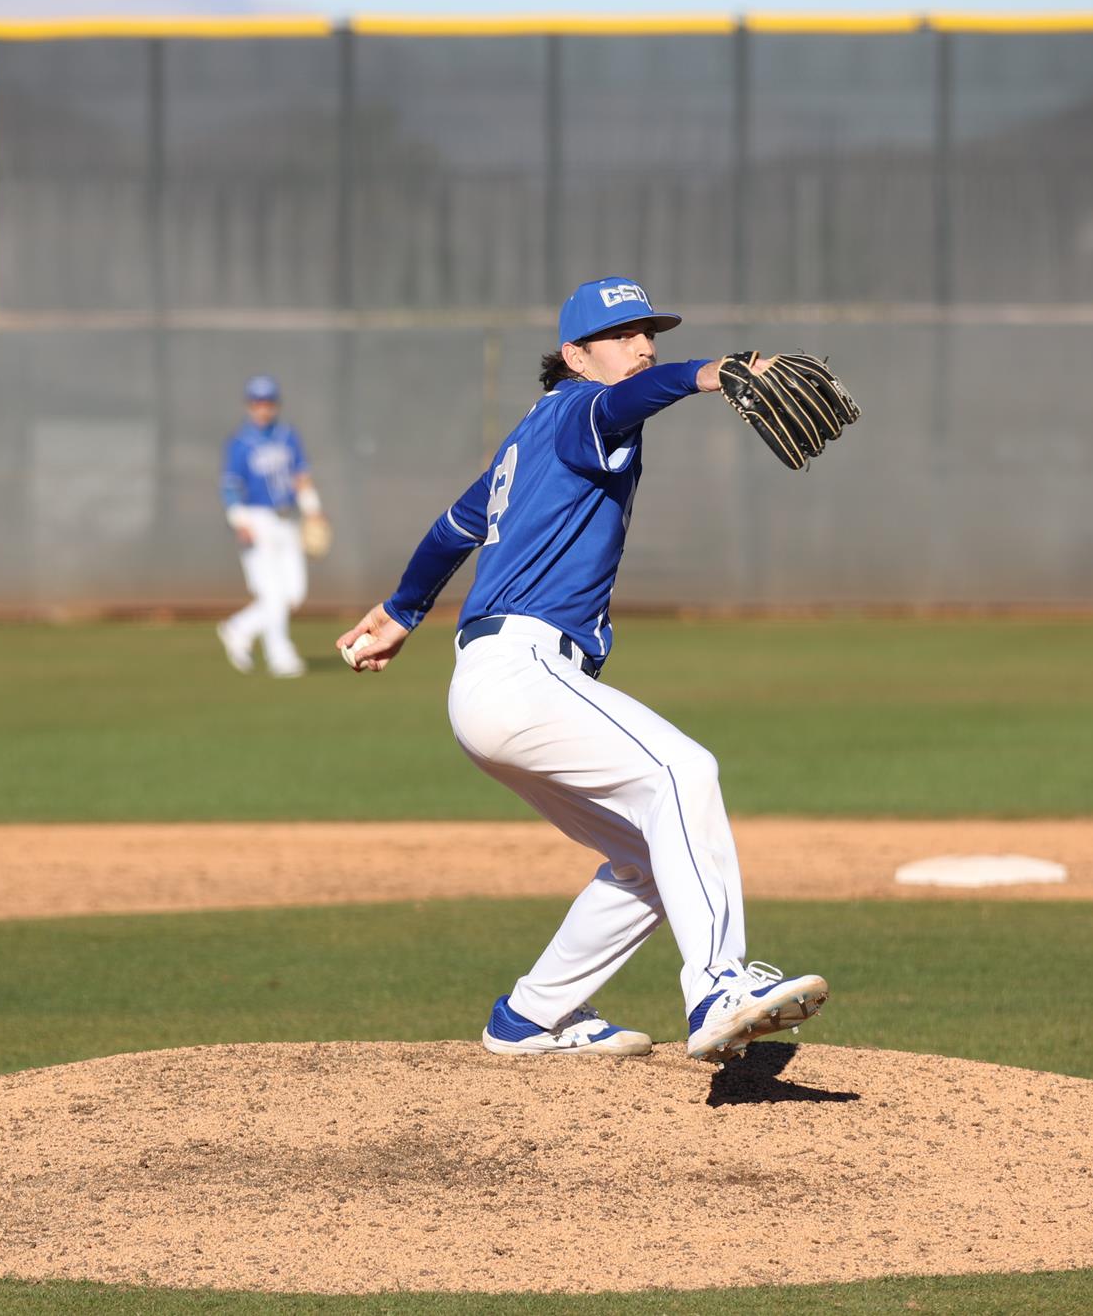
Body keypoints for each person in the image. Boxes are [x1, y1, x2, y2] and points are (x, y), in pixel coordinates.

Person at [336, 277, 829, 1063]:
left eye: (650, 332)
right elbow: (625, 404)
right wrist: (710, 371)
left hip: (494, 686)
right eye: (622, 334)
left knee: (648, 855)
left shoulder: (526, 440)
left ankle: (531, 1014)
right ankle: (718, 984)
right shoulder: (577, 411)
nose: (643, 346)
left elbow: (453, 526)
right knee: (684, 772)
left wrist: (402, 610)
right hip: (522, 671)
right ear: (575, 355)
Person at [217, 374, 325, 679]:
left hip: (287, 518)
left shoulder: (288, 436)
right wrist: (239, 520)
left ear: (275, 404)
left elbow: (301, 476)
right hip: (257, 519)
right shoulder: (241, 442)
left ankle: (238, 627)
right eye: (256, 402)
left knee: (294, 592)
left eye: (267, 402)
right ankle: (280, 656)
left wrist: (313, 510)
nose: (262, 408)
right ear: (250, 406)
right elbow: (229, 486)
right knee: (274, 594)